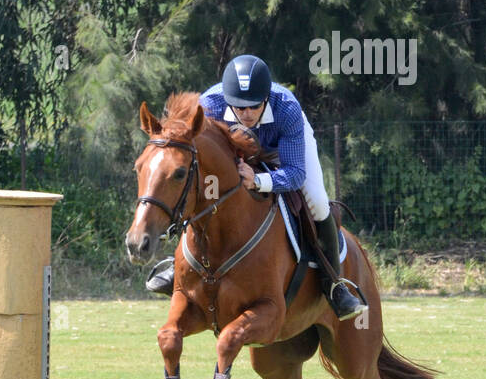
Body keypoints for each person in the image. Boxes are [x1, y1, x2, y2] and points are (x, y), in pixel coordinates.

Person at [146, 55, 366, 320]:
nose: (246, 114)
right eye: (239, 108)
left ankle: (334, 285)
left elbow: (295, 174)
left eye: (254, 106)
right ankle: (177, 265)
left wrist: (258, 180)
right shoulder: (210, 106)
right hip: (238, 154)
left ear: (266, 97)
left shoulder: (286, 109)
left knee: (318, 201)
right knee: (201, 191)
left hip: (281, 151)